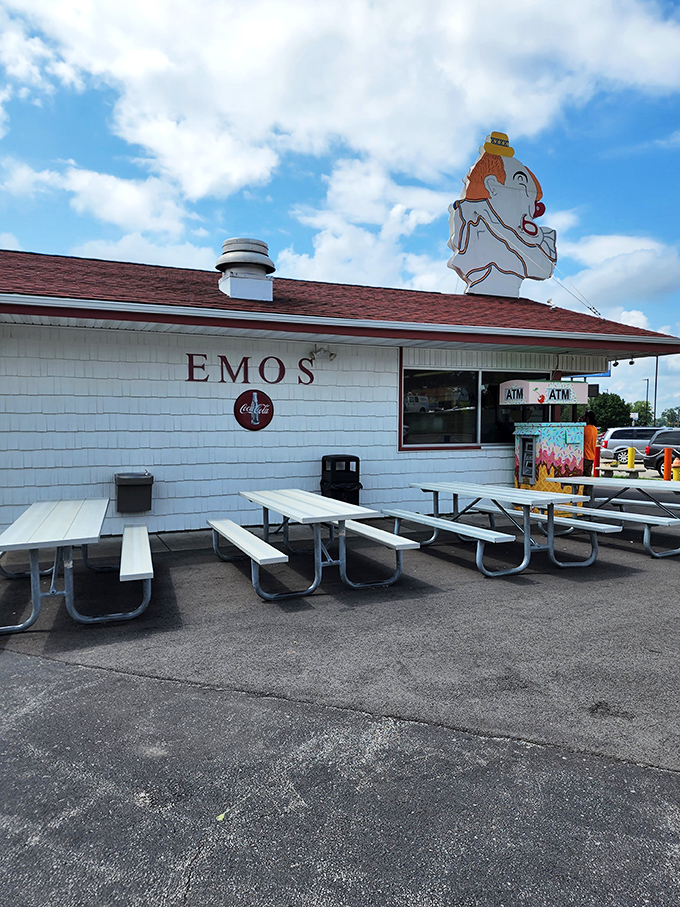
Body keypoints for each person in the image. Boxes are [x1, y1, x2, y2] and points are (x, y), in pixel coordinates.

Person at [447, 132, 557, 297]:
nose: (531, 199)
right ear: (492, 186)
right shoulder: (475, 221)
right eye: (520, 183)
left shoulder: (536, 237)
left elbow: (543, 266)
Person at [583, 410, 598, 477]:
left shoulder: (585, 429)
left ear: (587, 418)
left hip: (585, 456)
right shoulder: (595, 429)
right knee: (587, 476)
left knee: (580, 476)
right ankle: (587, 488)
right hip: (591, 456)